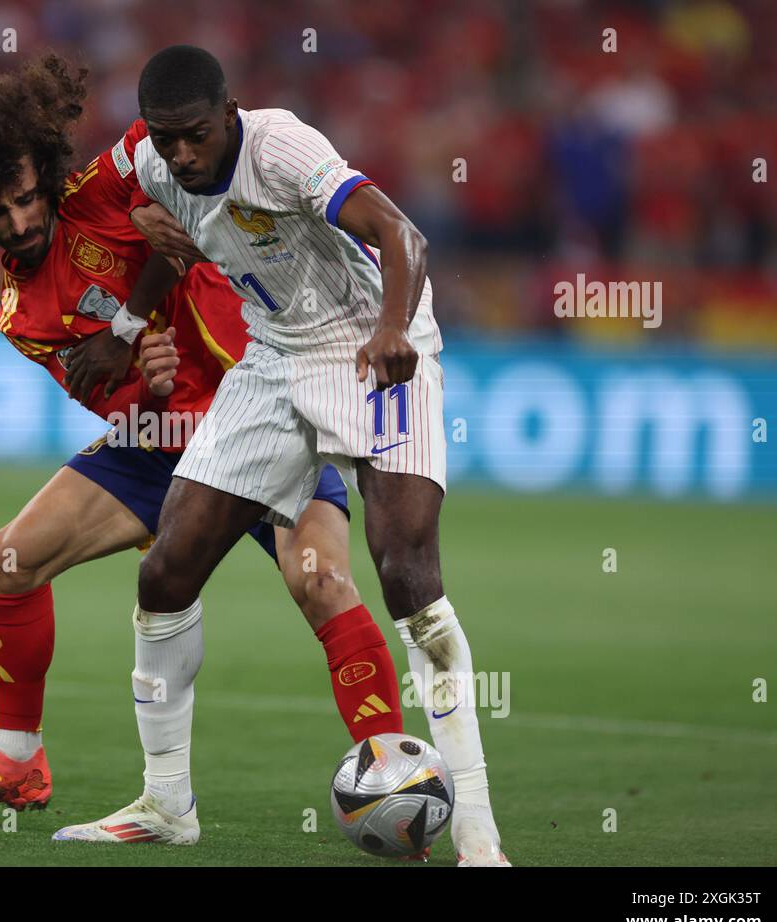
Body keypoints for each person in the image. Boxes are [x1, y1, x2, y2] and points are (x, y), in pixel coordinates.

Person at [0, 54, 405, 833]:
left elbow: (176, 170)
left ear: (45, 177)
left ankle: (393, 779)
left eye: (28, 198)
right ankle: (16, 756)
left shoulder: (104, 189)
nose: (23, 222)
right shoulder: (22, 313)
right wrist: (143, 386)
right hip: (161, 441)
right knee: (9, 559)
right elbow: (109, 400)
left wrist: (133, 316)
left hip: (261, 405)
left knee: (323, 582)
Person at [52, 46, 508, 866]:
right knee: (166, 570)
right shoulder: (161, 171)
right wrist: (126, 330)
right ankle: (165, 804)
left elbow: (403, 233)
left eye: (193, 136)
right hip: (270, 359)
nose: (180, 154)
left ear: (228, 112)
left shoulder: (281, 146)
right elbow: (173, 249)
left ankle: (475, 831)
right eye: (165, 139)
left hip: (374, 346)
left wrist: (396, 327)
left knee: (406, 573)